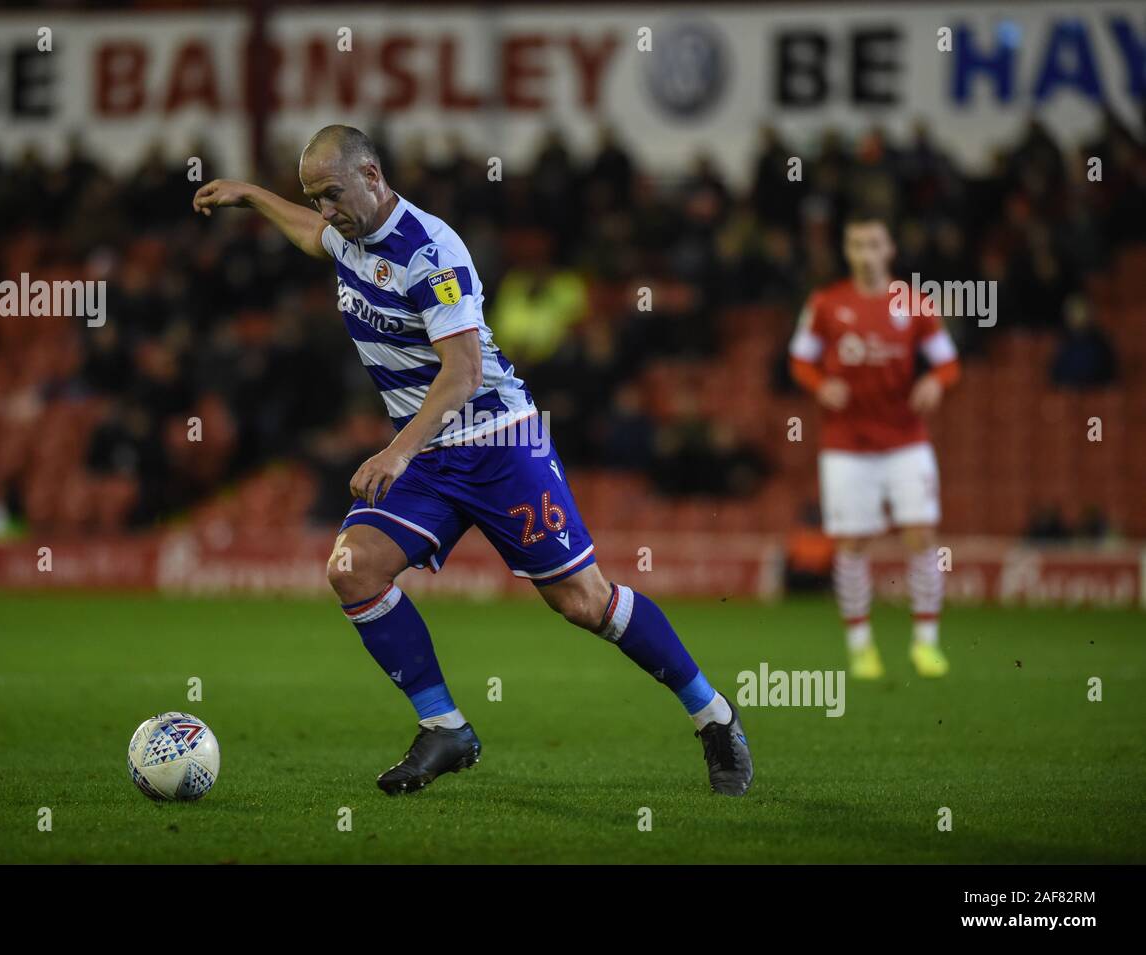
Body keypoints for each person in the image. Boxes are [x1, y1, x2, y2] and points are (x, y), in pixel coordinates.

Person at [192, 126, 752, 797]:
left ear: (372, 174)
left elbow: (463, 370)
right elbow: (315, 238)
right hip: (428, 454)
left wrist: (397, 449)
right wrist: (253, 196)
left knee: (584, 601)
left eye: (332, 194)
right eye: (314, 197)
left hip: (499, 444)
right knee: (353, 567)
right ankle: (446, 728)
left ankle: (713, 715)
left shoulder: (430, 252)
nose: (324, 211)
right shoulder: (343, 229)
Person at [789, 215, 959, 679]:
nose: (866, 252)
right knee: (853, 542)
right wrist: (821, 385)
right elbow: (800, 359)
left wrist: (933, 383)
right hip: (846, 444)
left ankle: (926, 642)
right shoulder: (825, 303)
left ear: (889, 249)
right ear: (848, 251)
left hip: (906, 438)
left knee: (921, 534)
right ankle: (861, 645)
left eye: (874, 244)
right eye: (857, 244)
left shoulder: (915, 302)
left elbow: (947, 364)